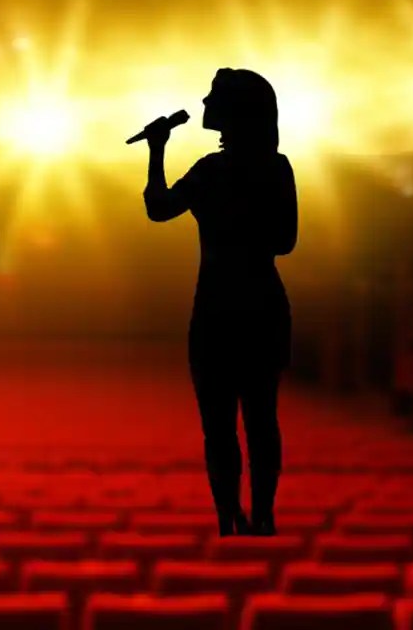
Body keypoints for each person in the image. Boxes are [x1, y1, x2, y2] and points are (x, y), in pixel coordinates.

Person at [141, 68, 297, 536]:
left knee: (226, 427)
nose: (204, 104)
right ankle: (256, 518)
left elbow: (158, 207)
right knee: (259, 420)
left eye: (213, 98)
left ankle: (233, 520)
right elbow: (285, 242)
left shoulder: (214, 171)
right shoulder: (272, 167)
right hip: (260, 307)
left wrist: (156, 150)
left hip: (216, 312)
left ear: (235, 110)